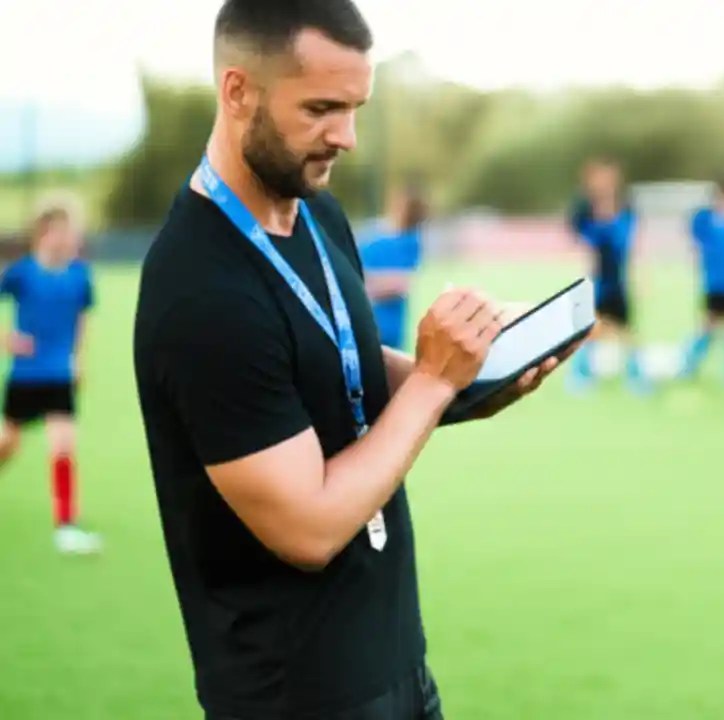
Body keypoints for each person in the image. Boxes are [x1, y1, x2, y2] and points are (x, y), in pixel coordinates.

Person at [132, 3, 570, 718]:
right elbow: (307, 528)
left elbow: (352, 374)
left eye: (356, 107)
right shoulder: (201, 289)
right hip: (294, 694)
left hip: (394, 662)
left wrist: (477, 374)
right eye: (321, 109)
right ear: (238, 91)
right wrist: (434, 383)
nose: (347, 136)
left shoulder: (316, 212)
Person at [0, 201, 101, 555]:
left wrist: (78, 359)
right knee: (6, 444)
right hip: (25, 376)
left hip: (59, 374)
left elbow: (83, 319)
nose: (74, 238)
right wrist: (5, 339)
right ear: (47, 232)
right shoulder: (21, 273)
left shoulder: (80, 276)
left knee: (63, 446)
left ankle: (66, 525)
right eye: (67, 230)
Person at [566, 157, 650, 394]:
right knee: (590, 330)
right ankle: (580, 376)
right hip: (597, 280)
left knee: (627, 331)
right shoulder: (583, 212)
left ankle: (636, 376)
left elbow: (631, 247)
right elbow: (582, 246)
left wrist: (640, 276)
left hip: (618, 280)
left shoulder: (626, 210)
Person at [679, 175, 724, 385]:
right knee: (709, 328)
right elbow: (695, 231)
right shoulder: (708, 221)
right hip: (716, 284)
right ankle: (689, 365)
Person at [360, 180, 428, 350]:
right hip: (368, 322)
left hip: (387, 324)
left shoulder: (409, 241)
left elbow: (400, 284)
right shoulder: (375, 234)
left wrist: (367, 286)